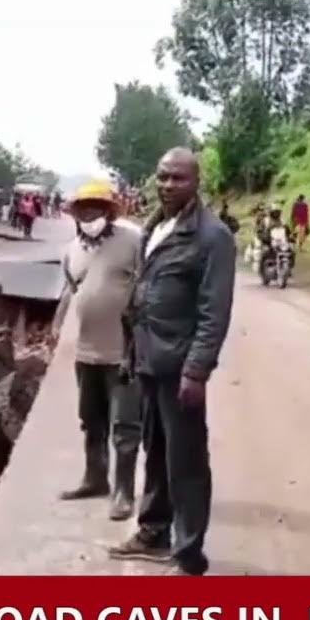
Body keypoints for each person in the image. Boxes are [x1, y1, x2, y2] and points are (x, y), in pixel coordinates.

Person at [109, 147, 235, 576]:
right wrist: (131, 353)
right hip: (148, 360)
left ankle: (189, 556)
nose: (167, 185)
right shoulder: (156, 226)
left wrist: (196, 371)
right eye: (162, 176)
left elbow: (214, 312)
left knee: (187, 462)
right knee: (156, 452)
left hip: (179, 368)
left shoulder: (212, 237)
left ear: (196, 182)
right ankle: (154, 531)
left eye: (178, 178)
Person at [59, 180, 143, 520]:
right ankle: (95, 478)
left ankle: (123, 491)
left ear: (109, 212)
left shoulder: (133, 242)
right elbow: (74, 291)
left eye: (96, 208)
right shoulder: (71, 251)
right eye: (83, 209)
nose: (89, 215)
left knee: (125, 426)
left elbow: (147, 286)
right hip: (86, 352)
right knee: (91, 421)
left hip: (123, 354)